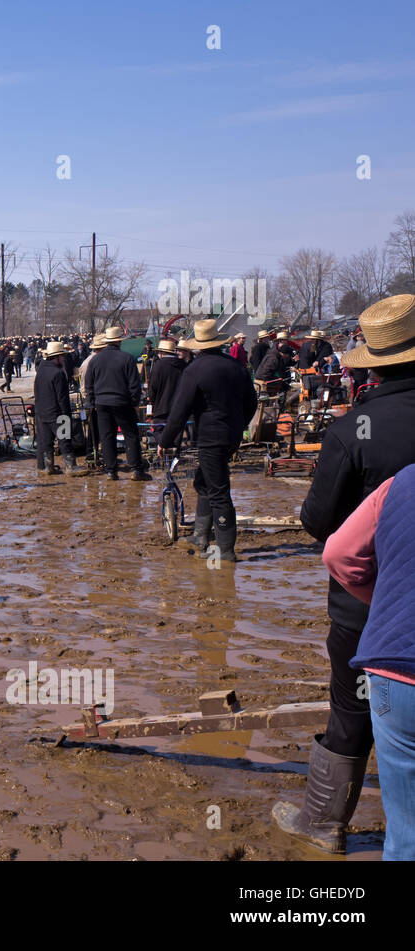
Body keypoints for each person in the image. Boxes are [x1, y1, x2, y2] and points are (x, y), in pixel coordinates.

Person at [275, 294, 415, 854]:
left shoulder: (355, 427)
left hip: (371, 607)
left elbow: (319, 524)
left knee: (352, 705)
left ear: (372, 364)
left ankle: (325, 821)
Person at [321, 461, 415, 860]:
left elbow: (338, 553)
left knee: (405, 836)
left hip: (395, 670)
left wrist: (386, 606)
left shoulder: (403, 482)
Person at [158, 320, 257, 562]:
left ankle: (225, 549)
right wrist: (240, 425)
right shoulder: (235, 366)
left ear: (197, 346)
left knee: (219, 491)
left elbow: (180, 410)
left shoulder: (194, 369)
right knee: (205, 481)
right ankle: (200, 535)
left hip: (211, 437)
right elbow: (252, 402)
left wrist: (165, 440)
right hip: (232, 435)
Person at [85, 326, 149, 481]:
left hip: (101, 403)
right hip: (122, 403)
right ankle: (136, 470)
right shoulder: (127, 358)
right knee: (131, 436)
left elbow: (89, 385)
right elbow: (135, 385)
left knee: (107, 437)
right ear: (119, 341)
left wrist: (92, 402)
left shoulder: (95, 360)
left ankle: (111, 471)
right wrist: (134, 402)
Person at [33, 340, 76, 476]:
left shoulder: (41, 369)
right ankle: (70, 468)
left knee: (46, 442)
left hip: (41, 412)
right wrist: (66, 415)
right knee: (65, 441)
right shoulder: (58, 374)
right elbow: (62, 398)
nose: (64, 358)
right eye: (62, 356)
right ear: (56, 357)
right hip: (57, 412)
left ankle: (47, 467)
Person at [147, 338, 185, 434]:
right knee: (176, 434)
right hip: (180, 407)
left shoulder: (158, 366)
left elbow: (152, 389)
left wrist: (153, 402)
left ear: (161, 352)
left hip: (161, 408)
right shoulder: (183, 365)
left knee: (160, 434)